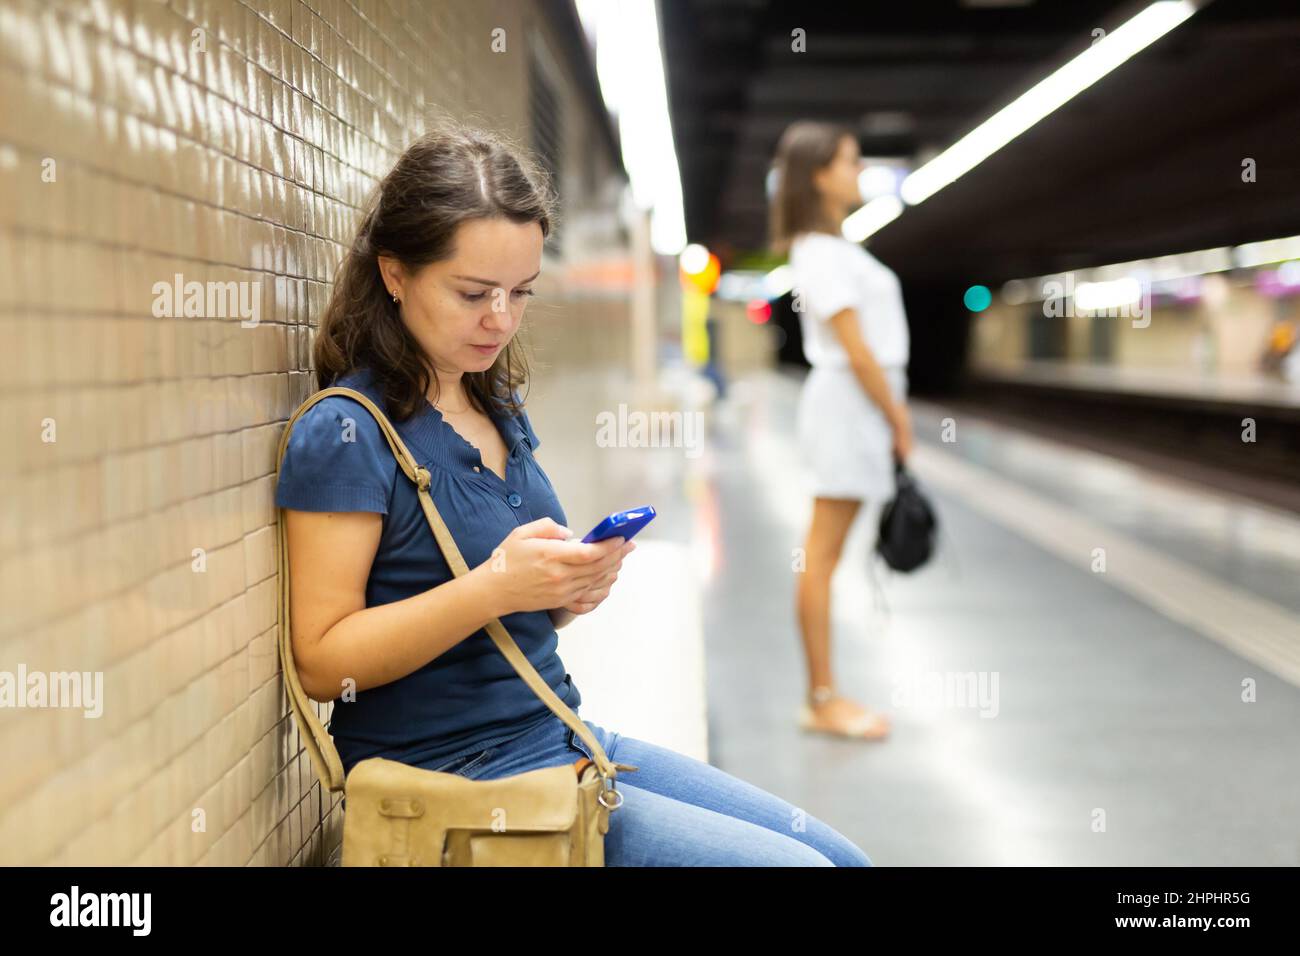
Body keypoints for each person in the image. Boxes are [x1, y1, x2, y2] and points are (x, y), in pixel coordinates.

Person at [275, 119, 871, 866]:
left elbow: (514, 602)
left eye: (519, 292)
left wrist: (565, 586)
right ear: (395, 273)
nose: (500, 318)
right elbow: (325, 662)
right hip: (461, 781)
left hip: (559, 733)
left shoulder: (495, 405)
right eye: (472, 293)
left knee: (845, 860)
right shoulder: (347, 433)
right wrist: (495, 586)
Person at [768, 121, 913, 741]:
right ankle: (821, 698)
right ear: (819, 175)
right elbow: (857, 349)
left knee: (826, 553)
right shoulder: (819, 252)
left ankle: (823, 694)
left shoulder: (834, 247)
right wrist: (898, 419)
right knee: (822, 554)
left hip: (856, 407)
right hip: (850, 407)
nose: (859, 172)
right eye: (851, 162)